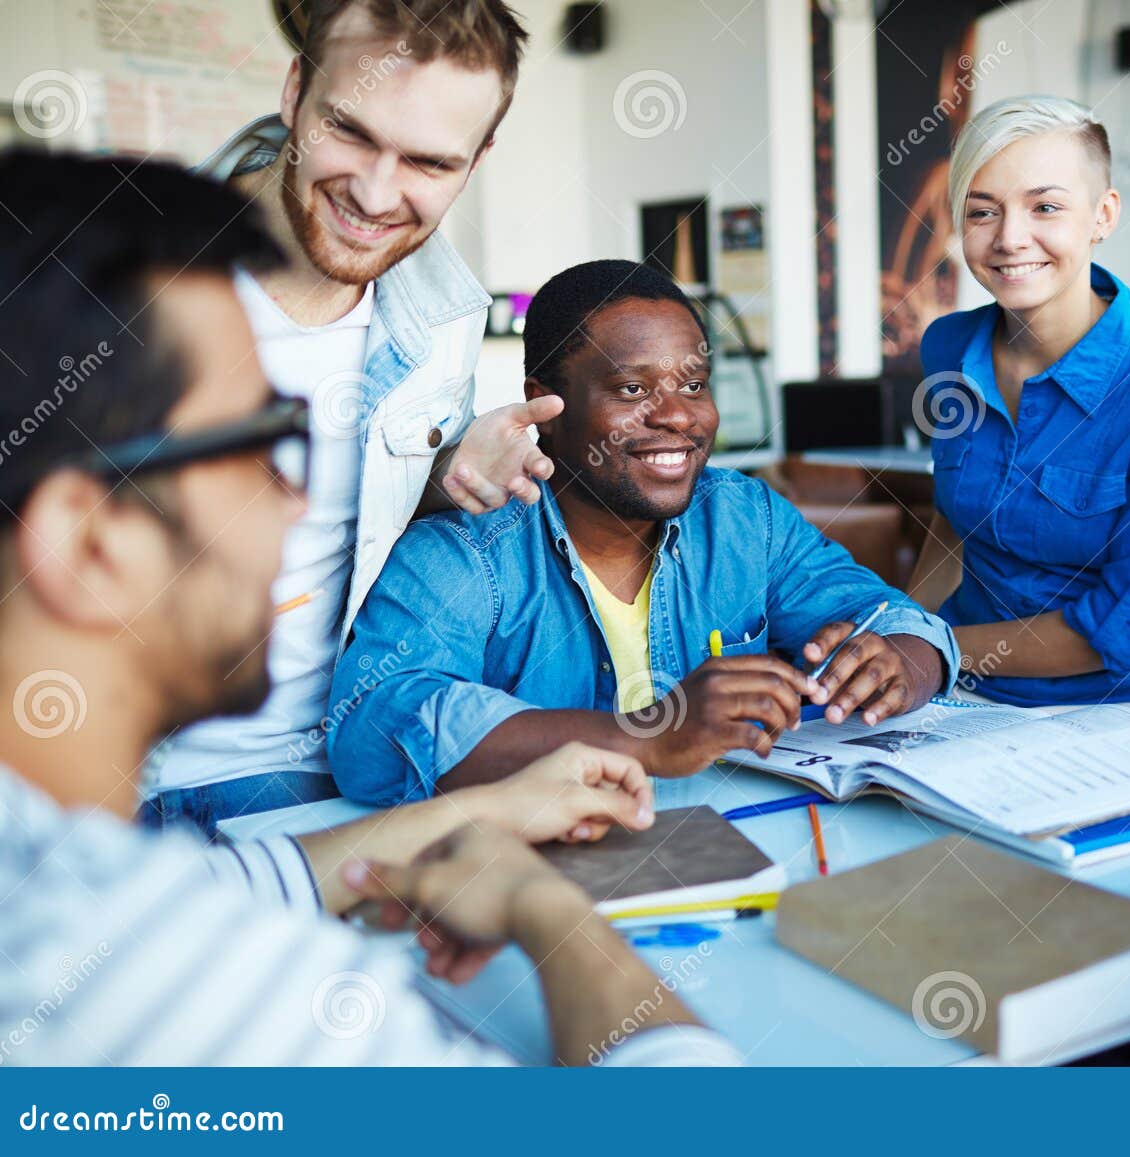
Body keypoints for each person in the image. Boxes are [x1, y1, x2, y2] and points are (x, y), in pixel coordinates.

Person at [0, 151, 737, 1066]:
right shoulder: (174, 999)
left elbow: (227, 880)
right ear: (90, 541)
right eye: (265, 445)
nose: (300, 503)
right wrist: (554, 913)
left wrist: (476, 826)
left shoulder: (41, 867)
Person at [141, 0, 572, 830]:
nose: (375, 193)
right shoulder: (109, 279)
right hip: (92, 791)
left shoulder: (442, 320)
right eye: (351, 131)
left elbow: (363, 523)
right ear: (296, 88)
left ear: (477, 161)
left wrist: (448, 480)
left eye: (427, 163)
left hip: (312, 785)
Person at [326, 260, 959, 804]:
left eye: (693, 384)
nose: (679, 415)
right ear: (545, 404)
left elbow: (882, 614)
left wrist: (903, 660)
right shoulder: (466, 550)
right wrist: (647, 735)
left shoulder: (743, 519)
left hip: (735, 850)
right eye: (632, 388)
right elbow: (373, 730)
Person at [907, 94, 1130, 708]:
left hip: (1122, 706)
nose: (1009, 239)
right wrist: (898, 638)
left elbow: (1127, 628)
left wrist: (935, 646)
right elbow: (952, 524)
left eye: (1045, 207)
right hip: (965, 695)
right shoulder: (948, 347)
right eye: (981, 212)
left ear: (1102, 215)